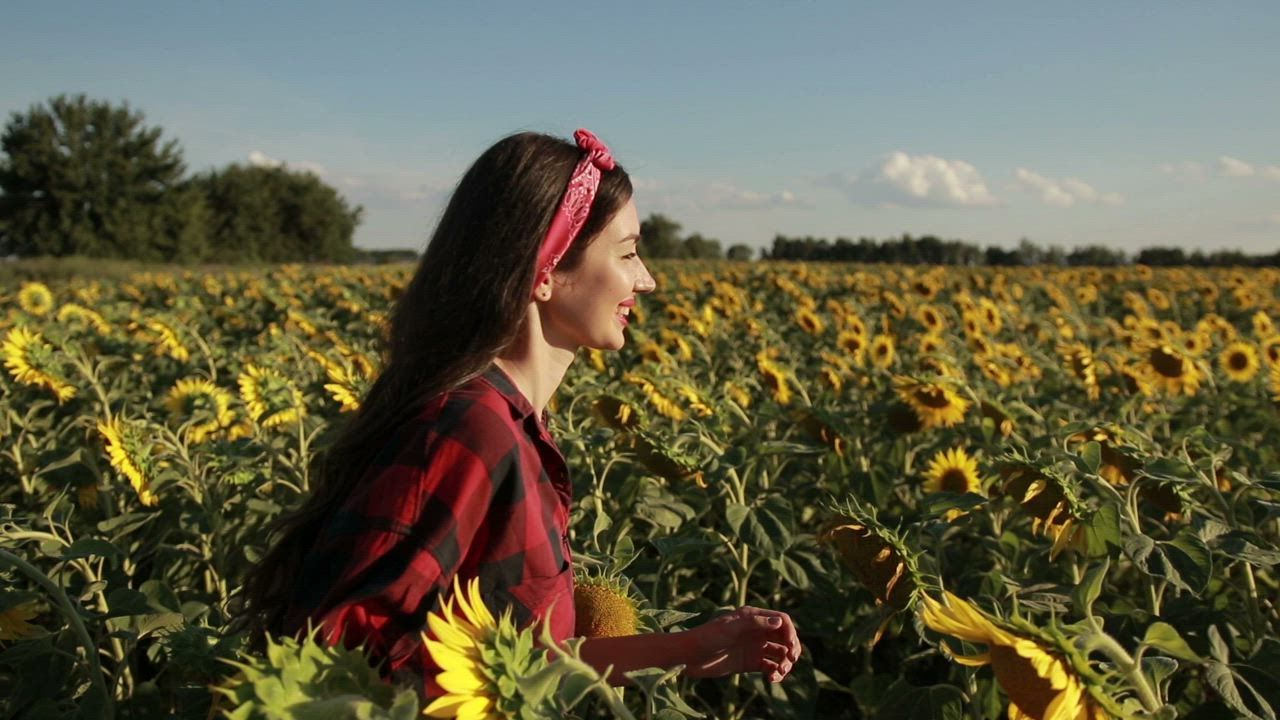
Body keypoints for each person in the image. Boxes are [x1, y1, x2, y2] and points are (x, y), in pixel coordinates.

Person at [234, 128, 802, 696]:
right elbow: (334, 664)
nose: (646, 280)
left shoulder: (514, 426)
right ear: (548, 270)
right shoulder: (467, 432)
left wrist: (692, 649)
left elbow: (509, 666)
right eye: (628, 253)